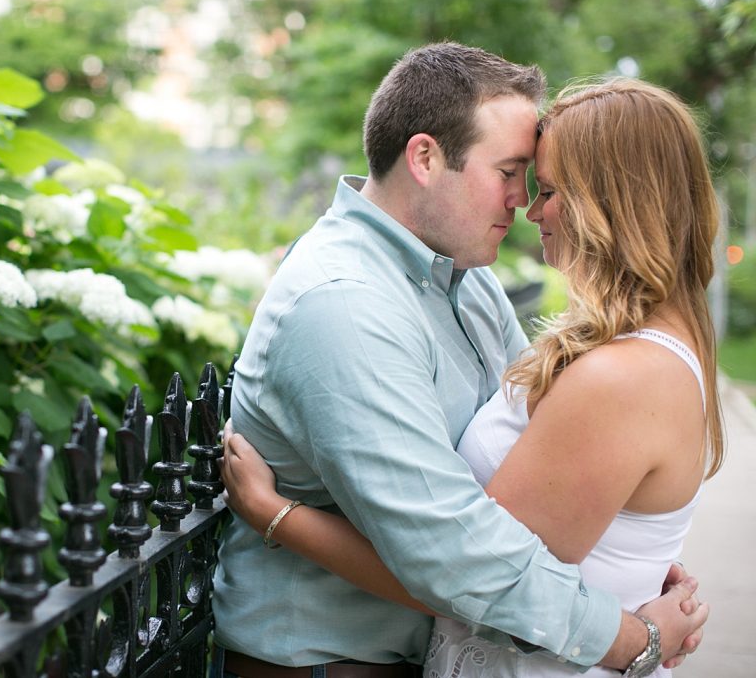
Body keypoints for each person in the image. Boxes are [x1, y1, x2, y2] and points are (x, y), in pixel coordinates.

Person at [211, 43, 710, 678]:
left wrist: (618, 557)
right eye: (509, 171)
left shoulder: (466, 282)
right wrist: (627, 636)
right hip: (332, 660)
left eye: (537, 181)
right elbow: (452, 554)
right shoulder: (346, 304)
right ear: (425, 158)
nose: (523, 203)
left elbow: (532, 475)